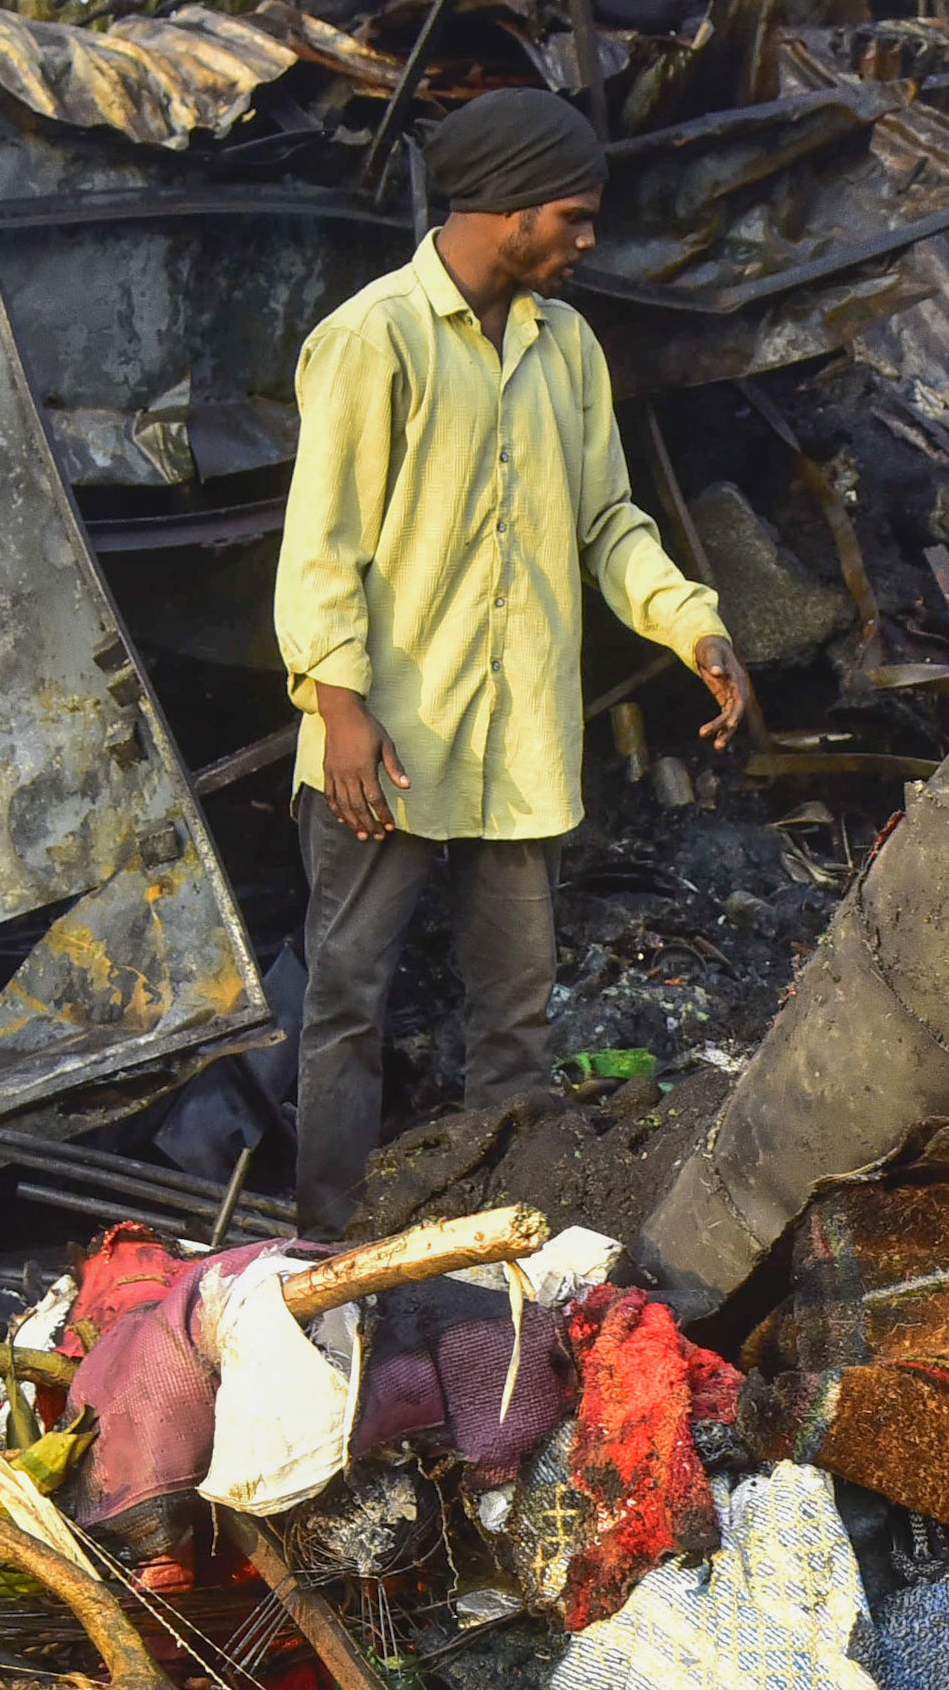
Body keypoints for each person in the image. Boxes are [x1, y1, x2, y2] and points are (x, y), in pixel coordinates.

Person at [274, 85, 752, 1237]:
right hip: (381, 747)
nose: (588, 240)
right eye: (575, 216)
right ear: (505, 209)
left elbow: (606, 522)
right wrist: (339, 705)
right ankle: (327, 1248)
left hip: (516, 747)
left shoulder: (566, 347)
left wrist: (693, 624)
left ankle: (503, 1251)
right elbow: (319, 547)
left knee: (517, 1022)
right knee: (346, 1003)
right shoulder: (370, 339)